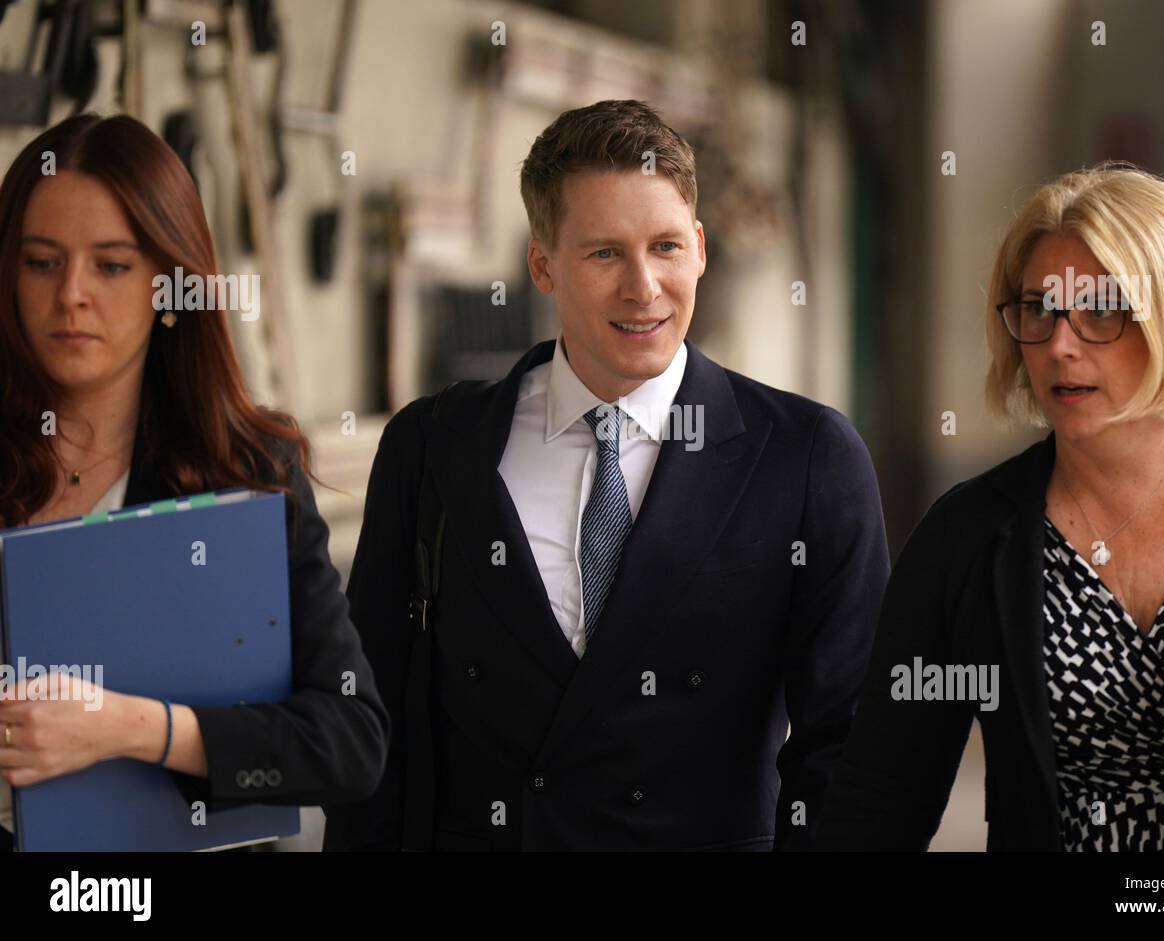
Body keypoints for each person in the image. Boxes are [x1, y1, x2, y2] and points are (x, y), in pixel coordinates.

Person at [322, 99, 890, 851]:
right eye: (603, 253)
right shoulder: (433, 446)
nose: (643, 286)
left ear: (700, 247)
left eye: (664, 246)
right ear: (542, 265)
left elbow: (850, 748)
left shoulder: (809, 456)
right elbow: (373, 726)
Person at [819, 163, 1164, 852]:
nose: (1059, 345)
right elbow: (877, 799)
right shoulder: (967, 539)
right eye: (1039, 309)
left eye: (1101, 308)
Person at [0, 114, 388, 851]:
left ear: (170, 285)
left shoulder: (246, 469)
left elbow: (350, 740)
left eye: (112, 265)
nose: (71, 295)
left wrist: (131, 728)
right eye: (42, 261)